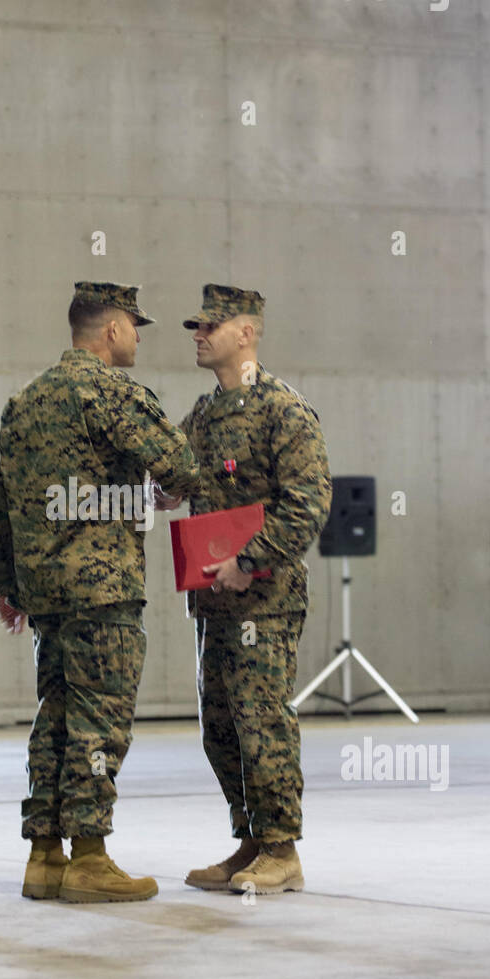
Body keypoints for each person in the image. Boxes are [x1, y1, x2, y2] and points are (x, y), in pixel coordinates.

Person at [0, 281, 201, 903]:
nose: (137, 337)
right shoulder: (113, 392)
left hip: (46, 595)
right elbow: (180, 465)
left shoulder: (24, 401)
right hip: (104, 589)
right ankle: (91, 858)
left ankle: (44, 857)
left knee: (55, 716)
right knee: (99, 720)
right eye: (135, 326)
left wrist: (8, 583)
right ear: (111, 330)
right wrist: (166, 488)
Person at [177, 285, 332, 895]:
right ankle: (248, 840)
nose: (198, 334)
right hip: (214, 601)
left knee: (261, 719)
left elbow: (308, 505)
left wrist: (251, 559)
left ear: (246, 333)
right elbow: (180, 476)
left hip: (264, 599)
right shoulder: (204, 414)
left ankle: (282, 848)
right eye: (195, 326)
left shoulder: (284, 412)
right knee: (220, 725)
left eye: (210, 325)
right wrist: (166, 492)